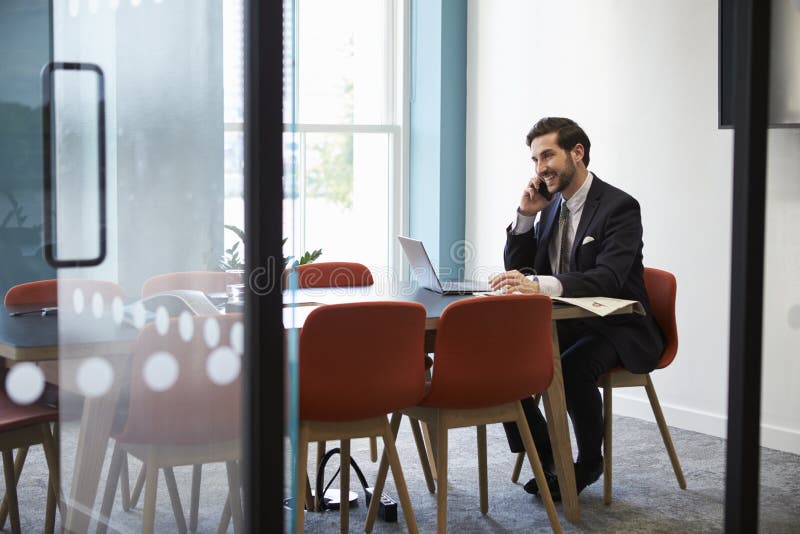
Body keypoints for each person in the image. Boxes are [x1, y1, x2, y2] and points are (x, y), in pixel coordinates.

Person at [489, 117, 665, 500]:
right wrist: (525, 217)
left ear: (577, 152)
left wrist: (540, 285)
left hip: (617, 325)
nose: (540, 168)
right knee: (505, 359)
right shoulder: (551, 207)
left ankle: (587, 461)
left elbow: (609, 278)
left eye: (548, 155)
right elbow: (521, 269)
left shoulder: (619, 207)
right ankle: (551, 458)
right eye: (535, 160)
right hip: (566, 322)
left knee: (569, 369)